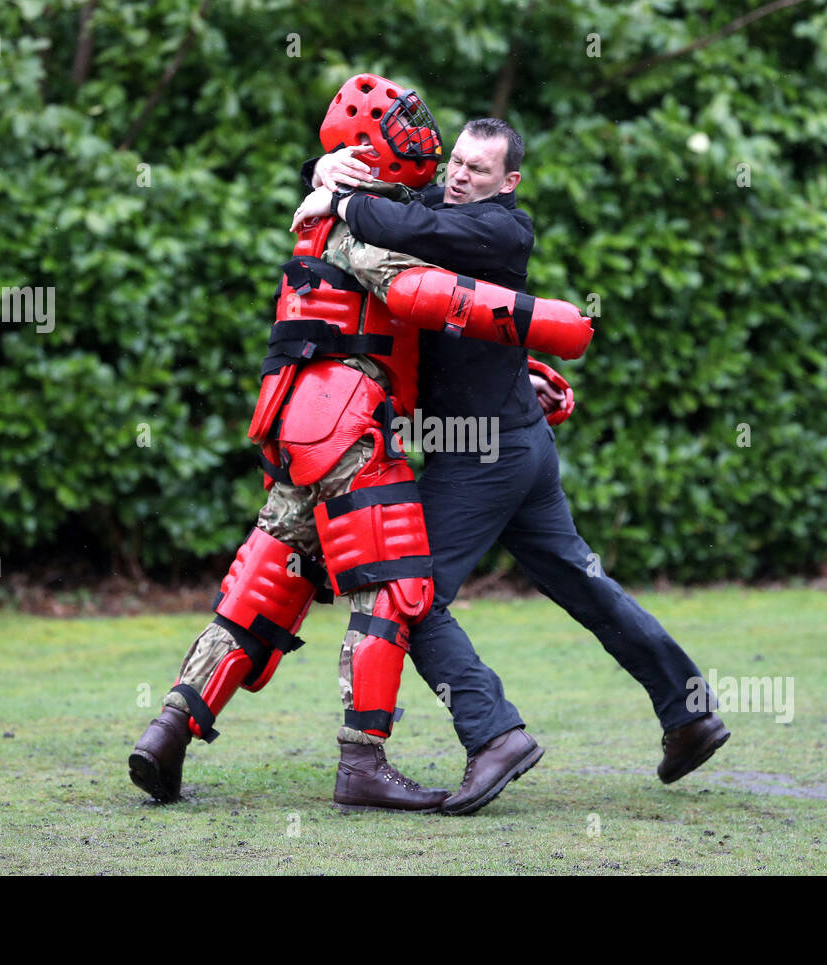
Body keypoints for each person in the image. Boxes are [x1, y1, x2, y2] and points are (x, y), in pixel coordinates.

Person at [128, 75, 592, 813]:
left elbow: (385, 311)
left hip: (298, 421)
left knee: (267, 582)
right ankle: (363, 761)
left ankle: (170, 727)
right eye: (402, 128)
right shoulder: (361, 224)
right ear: (369, 145)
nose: (426, 146)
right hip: (347, 423)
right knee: (395, 586)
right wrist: (547, 321)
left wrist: (520, 368)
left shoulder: (335, 209)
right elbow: (418, 295)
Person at [296, 116, 730, 816]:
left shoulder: (502, 230)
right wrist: (329, 173)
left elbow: (409, 233)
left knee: (410, 596)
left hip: (482, 455)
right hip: (519, 446)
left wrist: (341, 203)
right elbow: (389, 207)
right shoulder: (437, 205)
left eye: (479, 169)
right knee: (584, 584)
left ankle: (493, 734)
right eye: (457, 161)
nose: (460, 174)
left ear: (510, 182)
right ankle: (691, 714)